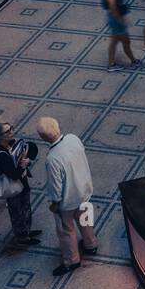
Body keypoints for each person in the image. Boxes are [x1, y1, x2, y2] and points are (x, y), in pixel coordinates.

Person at [37, 116, 97, 276]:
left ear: (42, 137)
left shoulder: (52, 159)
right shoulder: (73, 139)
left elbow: (55, 187)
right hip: (84, 191)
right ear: (58, 126)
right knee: (85, 220)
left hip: (67, 201)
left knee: (66, 230)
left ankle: (72, 260)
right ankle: (91, 244)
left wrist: (54, 204)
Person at [0, 121, 40, 248]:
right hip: (13, 188)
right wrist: (23, 165)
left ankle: (27, 231)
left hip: (23, 184)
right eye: (7, 131)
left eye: (11, 128)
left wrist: (28, 160)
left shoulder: (12, 144)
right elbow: (14, 175)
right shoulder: (1, 154)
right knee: (17, 212)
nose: (11, 132)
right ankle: (22, 237)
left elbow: (29, 150)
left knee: (26, 208)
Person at [100, 0, 138, 70]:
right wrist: (121, 20)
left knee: (115, 41)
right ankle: (133, 61)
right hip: (116, 20)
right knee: (126, 41)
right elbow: (113, 8)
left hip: (114, 19)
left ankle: (112, 64)